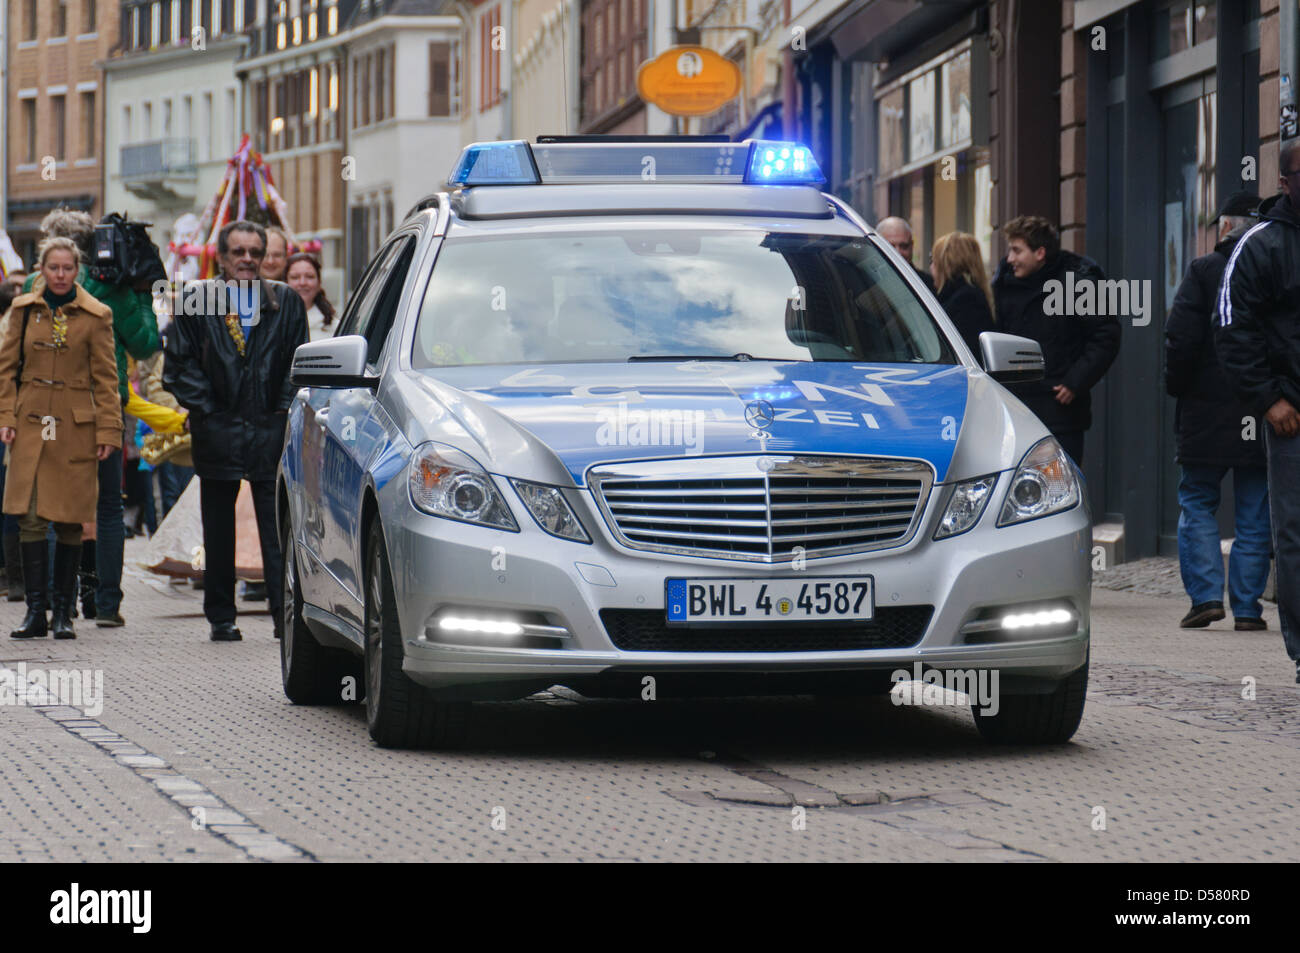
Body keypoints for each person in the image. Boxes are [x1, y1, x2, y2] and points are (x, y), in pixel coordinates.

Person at [163, 220, 308, 641]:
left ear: (264, 257)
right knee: (219, 529)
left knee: (277, 527)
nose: (247, 259)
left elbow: (296, 363)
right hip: (219, 429)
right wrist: (208, 407)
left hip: (270, 428)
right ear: (222, 257)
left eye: (254, 252)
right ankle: (221, 617)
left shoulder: (285, 302)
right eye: (238, 251)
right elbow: (177, 366)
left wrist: (281, 408)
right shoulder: (196, 301)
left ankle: (287, 615)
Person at [24, 209, 160, 626]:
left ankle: (46, 600)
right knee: (105, 506)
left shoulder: (37, 284)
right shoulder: (114, 289)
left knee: (47, 502)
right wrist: (140, 292)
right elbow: (147, 342)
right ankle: (105, 604)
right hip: (103, 406)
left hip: (48, 406)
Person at [0, 238, 120, 639]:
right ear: (42, 269)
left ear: (77, 270)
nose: (61, 275)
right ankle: (37, 612)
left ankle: (65, 614)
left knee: (71, 519)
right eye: (54, 268)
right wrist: (6, 417)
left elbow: (107, 379)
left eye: (68, 268)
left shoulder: (96, 315)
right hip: (31, 420)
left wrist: (108, 431)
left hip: (73, 424)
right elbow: (6, 370)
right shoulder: (23, 310)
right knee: (30, 517)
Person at [1165, 192, 1271, 631]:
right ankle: (1247, 608)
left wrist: (1178, 387)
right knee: (1254, 508)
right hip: (1262, 405)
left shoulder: (1205, 271)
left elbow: (1181, 338)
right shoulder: (1273, 266)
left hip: (1207, 409)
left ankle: (1207, 598)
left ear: (1226, 226)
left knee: (1198, 501)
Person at [1216, 139, 1300, 684]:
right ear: (1287, 180)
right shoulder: (1261, 246)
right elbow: (1232, 327)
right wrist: (1269, 399)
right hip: (1294, 417)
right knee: (1294, 533)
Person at [991, 215, 1121, 466]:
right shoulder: (1005, 283)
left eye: (1017, 251)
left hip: (1060, 411)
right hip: (1015, 410)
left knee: (1061, 487)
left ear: (1039, 252)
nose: (1010, 259)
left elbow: (1106, 335)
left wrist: (1075, 382)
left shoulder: (1077, 281)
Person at [930, 231, 996, 356]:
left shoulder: (965, 301)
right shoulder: (971, 296)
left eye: (933, 261)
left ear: (945, 265)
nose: (931, 267)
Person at [877, 217, 937, 294]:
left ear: (911, 246)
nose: (898, 253)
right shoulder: (865, 281)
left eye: (904, 246)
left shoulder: (927, 285)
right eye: (890, 247)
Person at [285, 252, 336, 341]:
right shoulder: (273, 323)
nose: (302, 283)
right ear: (285, 283)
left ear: (319, 282)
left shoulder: (333, 328)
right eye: (295, 277)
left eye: (309, 277)